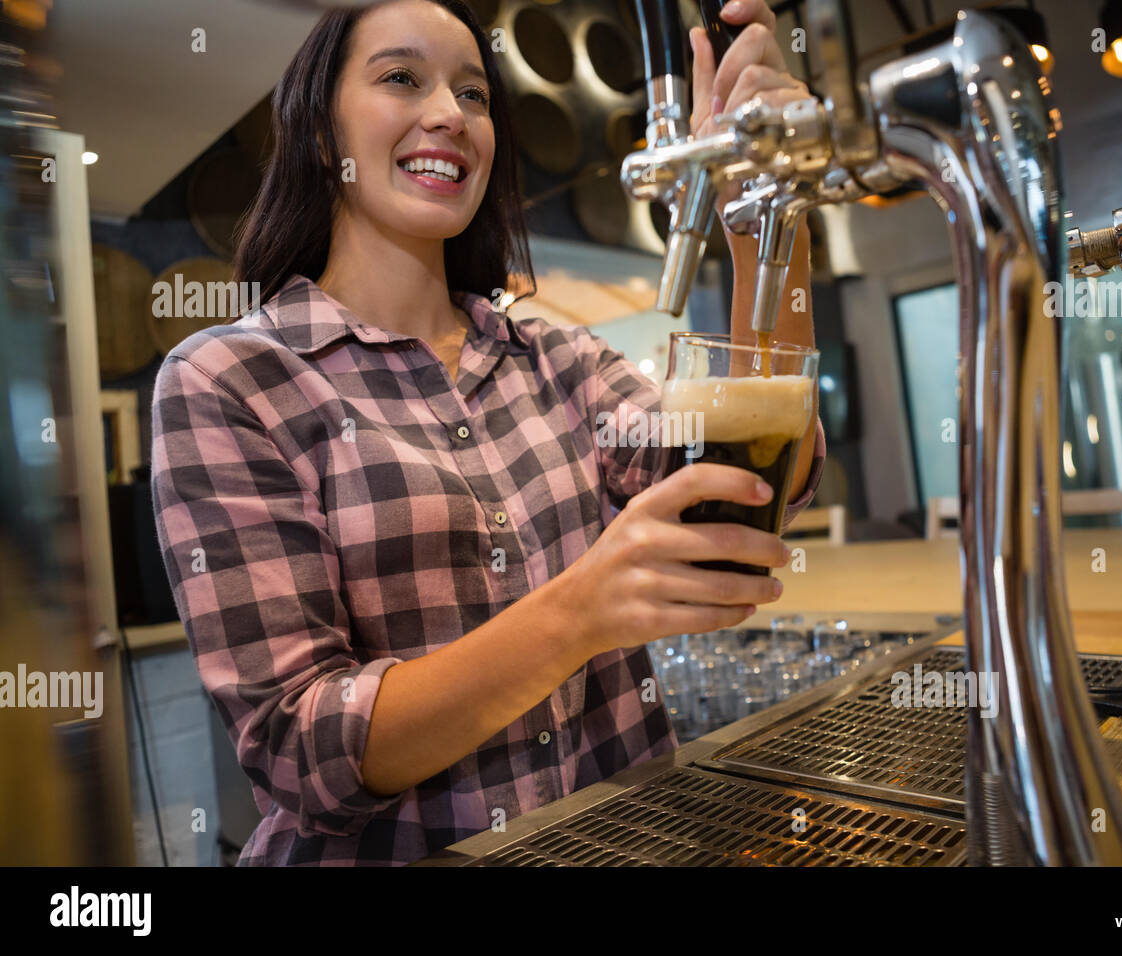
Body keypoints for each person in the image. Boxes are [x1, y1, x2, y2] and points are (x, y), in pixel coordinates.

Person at [150, 0, 825, 865]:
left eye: (474, 94)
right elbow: (301, 750)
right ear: (321, 135)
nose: (450, 115)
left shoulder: (554, 358)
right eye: (402, 78)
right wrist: (579, 612)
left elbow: (755, 484)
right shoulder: (229, 380)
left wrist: (765, 211)